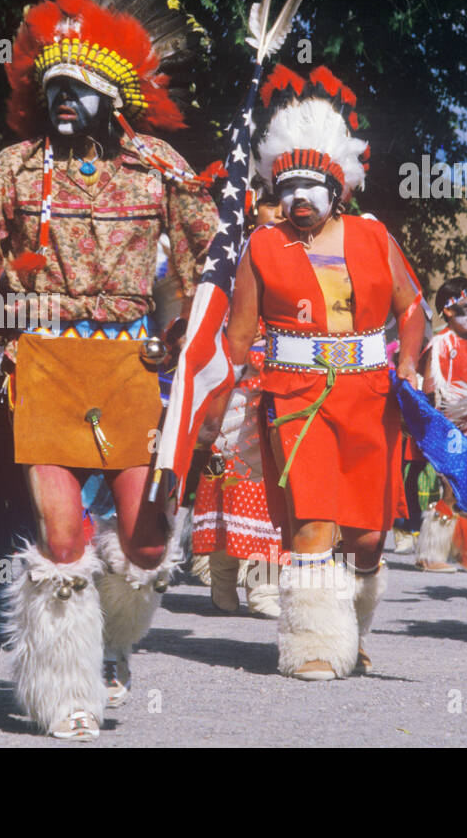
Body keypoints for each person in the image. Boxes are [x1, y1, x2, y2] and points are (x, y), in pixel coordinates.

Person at [0, 0, 218, 738]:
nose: (61, 97)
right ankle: (67, 691)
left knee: (148, 540)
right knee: (61, 539)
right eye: (50, 83)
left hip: (130, 367)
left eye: (78, 85)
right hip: (40, 362)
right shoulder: (12, 171)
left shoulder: (159, 170)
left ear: (114, 100)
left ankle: (113, 641)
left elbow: (210, 271)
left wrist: (193, 345)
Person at [224, 64, 425, 680]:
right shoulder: (262, 245)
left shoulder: (372, 234)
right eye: (287, 188)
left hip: (370, 397)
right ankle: (312, 643)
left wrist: (411, 363)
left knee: (365, 538)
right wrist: (218, 388)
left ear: (337, 188)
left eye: (311, 186)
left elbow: (410, 306)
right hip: (293, 395)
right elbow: (237, 334)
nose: (298, 199)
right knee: (313, 522)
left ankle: (350, 630)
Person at [191, 188, 284, 616]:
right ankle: (224, 574)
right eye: (272, 203)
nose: (281, 210)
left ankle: (264, 585)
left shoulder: (301, 255)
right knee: (234, 481)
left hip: (287, 387)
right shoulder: (229, 260)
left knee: (278, 487)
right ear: (253, 210)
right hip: (239, 389)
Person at [416, 277, 467, 572]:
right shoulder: (440, 343)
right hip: (448, 426)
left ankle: (463, 549)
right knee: (449, 489)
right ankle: (430, 554)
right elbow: (429, 389)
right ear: (448, 310)